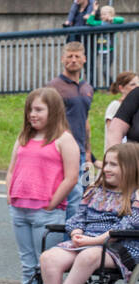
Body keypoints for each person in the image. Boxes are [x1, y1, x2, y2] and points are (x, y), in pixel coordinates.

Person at [34, 143, 139, 284]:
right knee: (48, 258)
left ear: (130, 167)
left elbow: (125, 227)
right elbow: (78, 217)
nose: (106, 168)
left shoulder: (135, 195)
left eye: (114, 164)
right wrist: (75, 232)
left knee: (88, 256)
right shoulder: (95, 190)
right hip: (88, 242)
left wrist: (91, 241)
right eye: (106, 163)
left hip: (122, 247)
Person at [6, 87, 79, 284]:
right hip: (20, 208)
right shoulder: (24, 138)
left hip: (46, 212)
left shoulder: (64, 139)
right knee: (27, 265)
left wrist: (52, 203)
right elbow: (11, 169)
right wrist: (10, 193)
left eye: (38, 109)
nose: (32, 115)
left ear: (54, 110)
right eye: (30, 110)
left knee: (44, 265)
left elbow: (71, 177)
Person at [48, 42, 95, 218]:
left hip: (82, 153)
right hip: (63, 152)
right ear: (62, 59)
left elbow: (85, 120)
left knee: (86, 194)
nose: (73, 60)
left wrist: (89, 152)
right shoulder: (53, 87)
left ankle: (77, 235)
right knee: (72, 197)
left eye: (77, 56)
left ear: (84, 59)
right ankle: (68, 240)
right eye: (69, 56)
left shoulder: (87, 88)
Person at [104, 72, 138, 138]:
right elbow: (112, 133)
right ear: (121, 88)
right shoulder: (115, 105)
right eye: (133, 84)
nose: (137, 87)